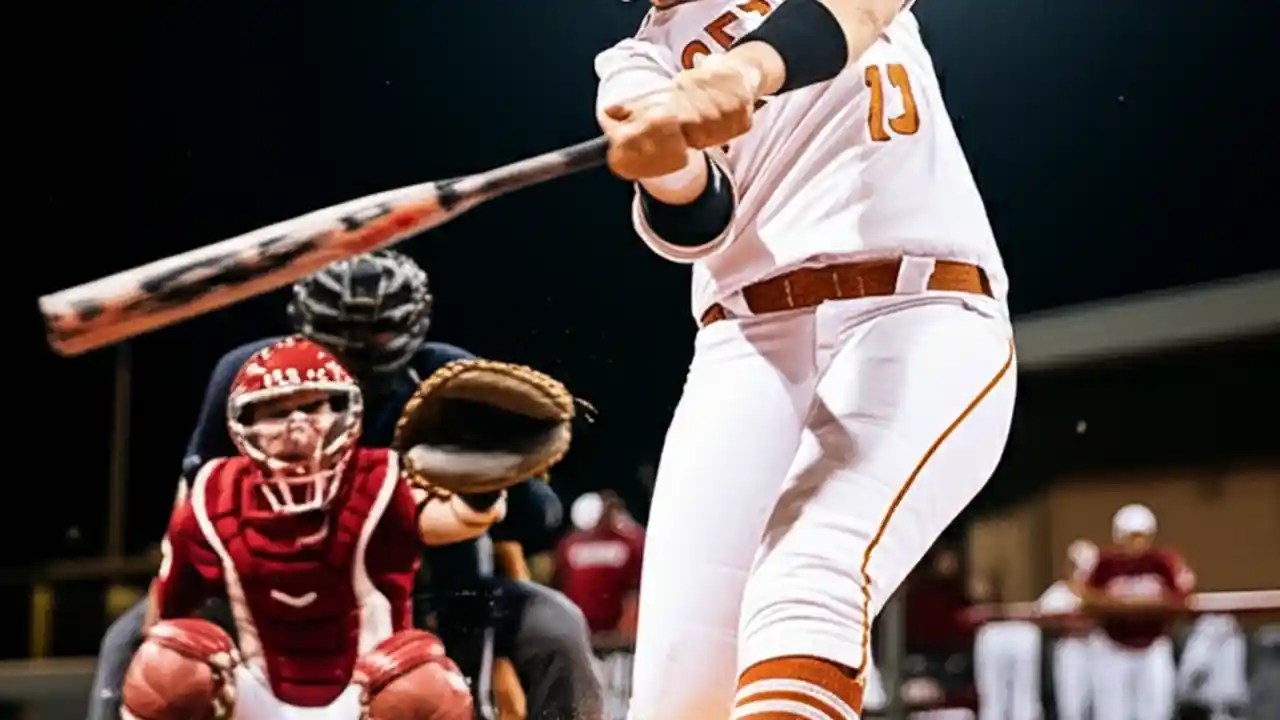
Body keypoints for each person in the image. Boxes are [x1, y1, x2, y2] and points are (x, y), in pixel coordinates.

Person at [593, 0, 1016, 717]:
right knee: (676, 689)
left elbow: (862, 9)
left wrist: (746, 66)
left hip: (915, 305)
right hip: (747, 345)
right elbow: (699, 219)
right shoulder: (633, 66)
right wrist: (669, 170)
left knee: (809, 575)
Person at [91, 251, 602, 720]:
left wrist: (486, 481)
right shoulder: (257, 375)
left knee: (556, 626)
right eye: (340, 336)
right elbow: (197, 505)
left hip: (430, 585)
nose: (358, 349)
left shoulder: (442, 373)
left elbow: (540, 518)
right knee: (134, 648)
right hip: (264, 586)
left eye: (377, 333)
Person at [120, 336, 478, 719]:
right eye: (276, 413)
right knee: (166, 669)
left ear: (341, 410)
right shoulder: (213, 492)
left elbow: (457, 518)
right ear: (245, 423)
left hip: (367, 699)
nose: (296, 426)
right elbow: (171, 605)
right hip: (259, 695)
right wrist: (158, 665)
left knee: (425, 684)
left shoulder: (383, 476)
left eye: (311, 407)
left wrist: (484, 487)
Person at [1084, 503, 1194, 720]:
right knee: (1112, 713)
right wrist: (1125, 606)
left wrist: (1136, 605)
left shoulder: (1163, 561)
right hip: (1113, 646)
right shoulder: (1105, 563)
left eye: (1141, 536)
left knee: (1156, 711)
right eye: (1131, 536)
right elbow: (1086, 597)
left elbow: (1182, 597)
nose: (1137, 543)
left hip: (1152, 645)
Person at [554, 492, 645, 639]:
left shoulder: (630, 542)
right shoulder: (568, 545)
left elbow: (636, 590)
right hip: (582, 628)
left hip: (617, 631)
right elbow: (561, 581)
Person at [1036, 540, 1100, 720]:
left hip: (1099, 652)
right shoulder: (1056, 594)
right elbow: (1041, 619)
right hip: (1070, 653)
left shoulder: (1101, 595)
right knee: (1071, 710)